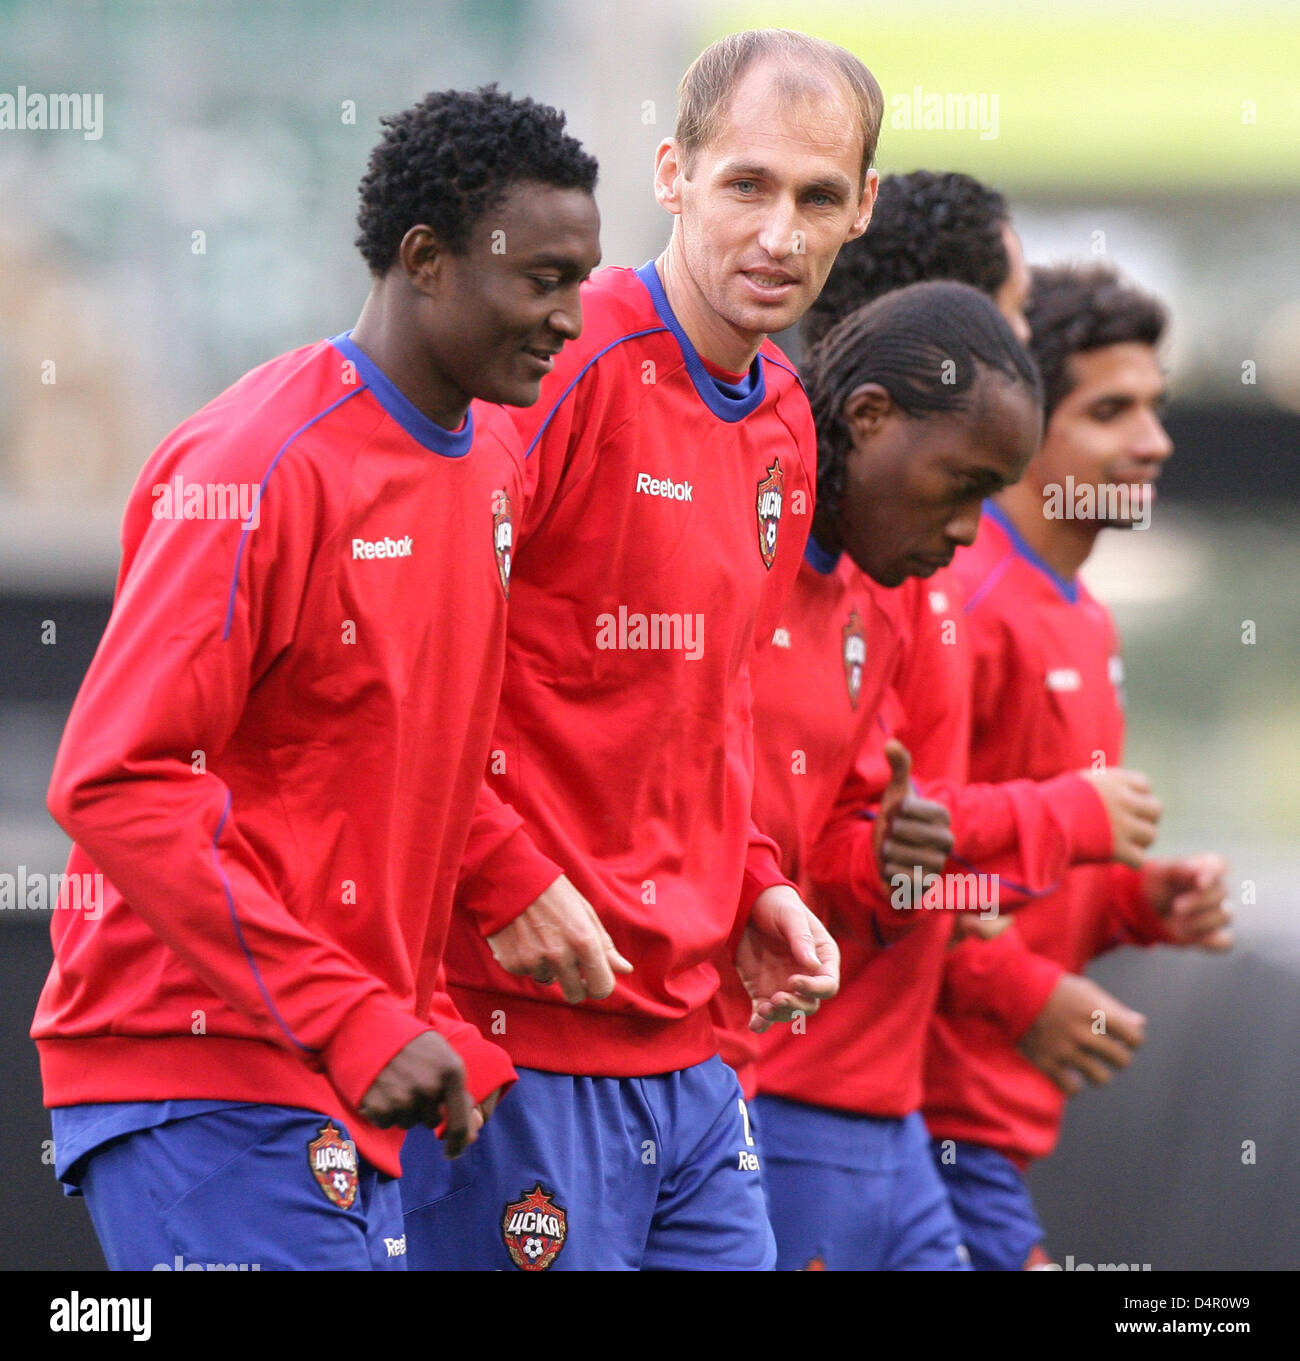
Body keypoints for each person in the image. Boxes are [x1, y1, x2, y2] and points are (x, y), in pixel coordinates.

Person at [30, 86, 601, 1271]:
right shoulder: (257, 468)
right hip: (197, 1065)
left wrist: (430, 994)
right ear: (426, 260)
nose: (567, 315)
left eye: (580, 279)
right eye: (541, 278)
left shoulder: (493, 453)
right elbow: (116, 779)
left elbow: (385, 752)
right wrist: (349, 1011)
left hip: (348, 1077)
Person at [400, 28, 881, 1271]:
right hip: (511, 1035)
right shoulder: (560, 363)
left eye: (817, 196)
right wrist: (501, 874)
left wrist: (756, 880)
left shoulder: (784, 414)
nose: (779, 232)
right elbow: (408, 667)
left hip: (691, 1049)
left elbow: (705, 704)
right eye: (747, 185)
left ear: (862, 207)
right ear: (672, 174)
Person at [923, 262, 1233, 1270]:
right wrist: (1019, 990)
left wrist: (1138, 900)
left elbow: (1024, 865)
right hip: (918, 1120)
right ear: (1021, 423)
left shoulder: (1083, 614)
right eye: (1111, 410)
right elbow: (888, 856)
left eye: (1154, 405)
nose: (1153, 440)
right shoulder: (959, 600)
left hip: (996, 1133)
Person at [739, 281, 1043, 1269]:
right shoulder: (741, 534)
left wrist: (887, 854)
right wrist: (1068, 819)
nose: (967, 528)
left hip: (834, 1096)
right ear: (869, 414)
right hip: (766, 1088)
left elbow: (827, 846)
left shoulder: (890, 587)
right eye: (961, 483)